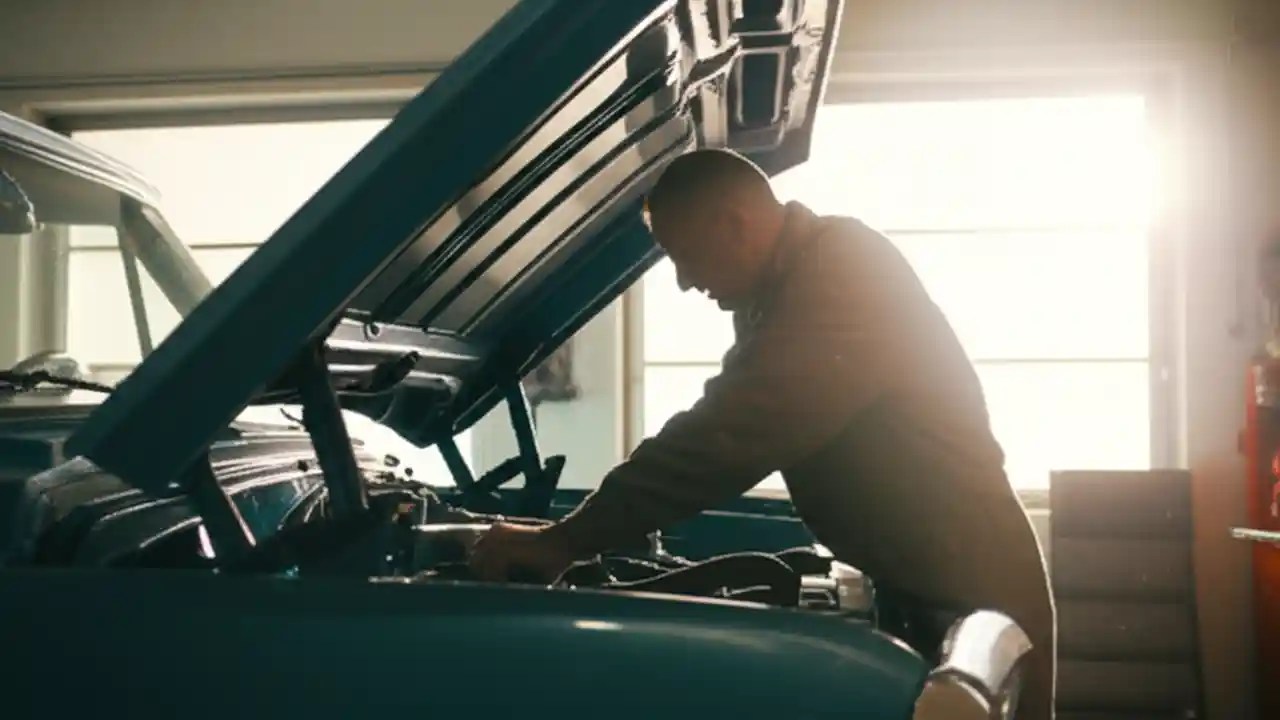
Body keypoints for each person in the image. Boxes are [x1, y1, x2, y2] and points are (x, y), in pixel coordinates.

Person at [469, 148, 1056, 719]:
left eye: (685, 254)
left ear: (735, 223)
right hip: (924, 578)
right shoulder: (782, 288)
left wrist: (567, 541)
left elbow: (730, 434)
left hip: (970, 588)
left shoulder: (843, 271)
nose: (682, 281)